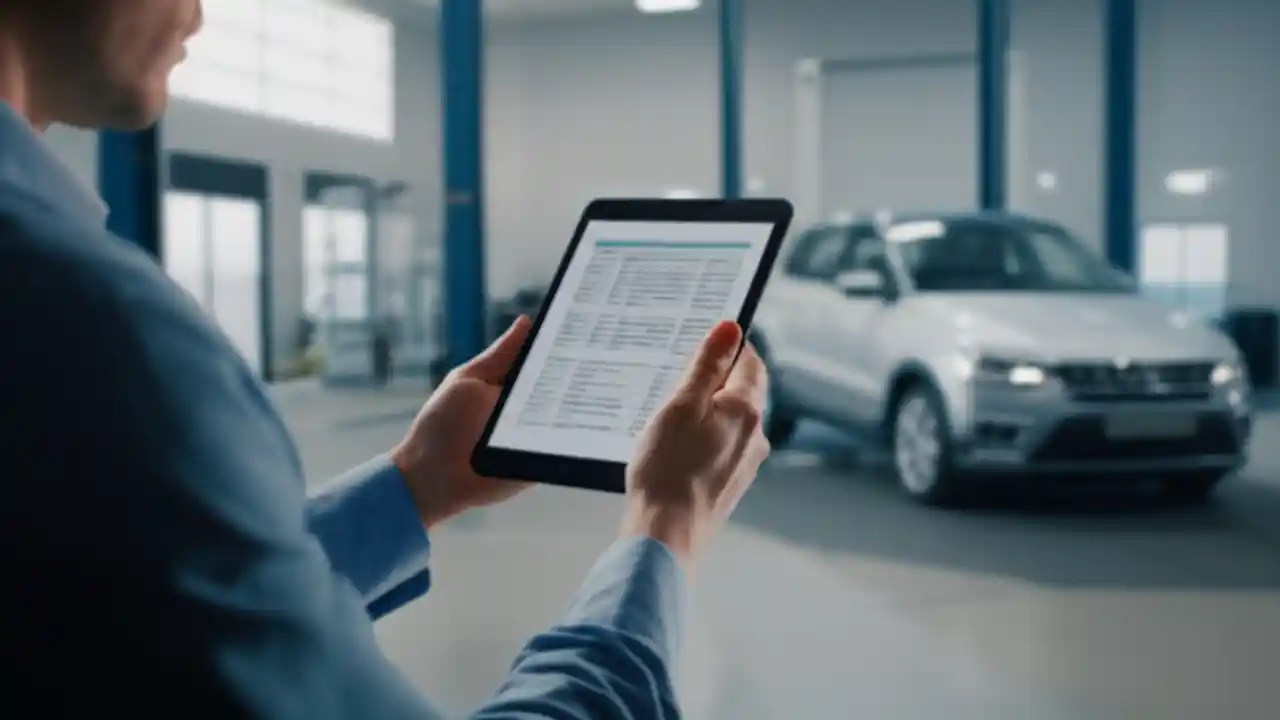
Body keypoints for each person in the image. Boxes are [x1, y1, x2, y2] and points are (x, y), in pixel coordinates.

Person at [0, 1, 771, 718]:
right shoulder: (90, 326)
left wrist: (420, 481)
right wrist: (667, 524)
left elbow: (147, 615)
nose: (198, 11)